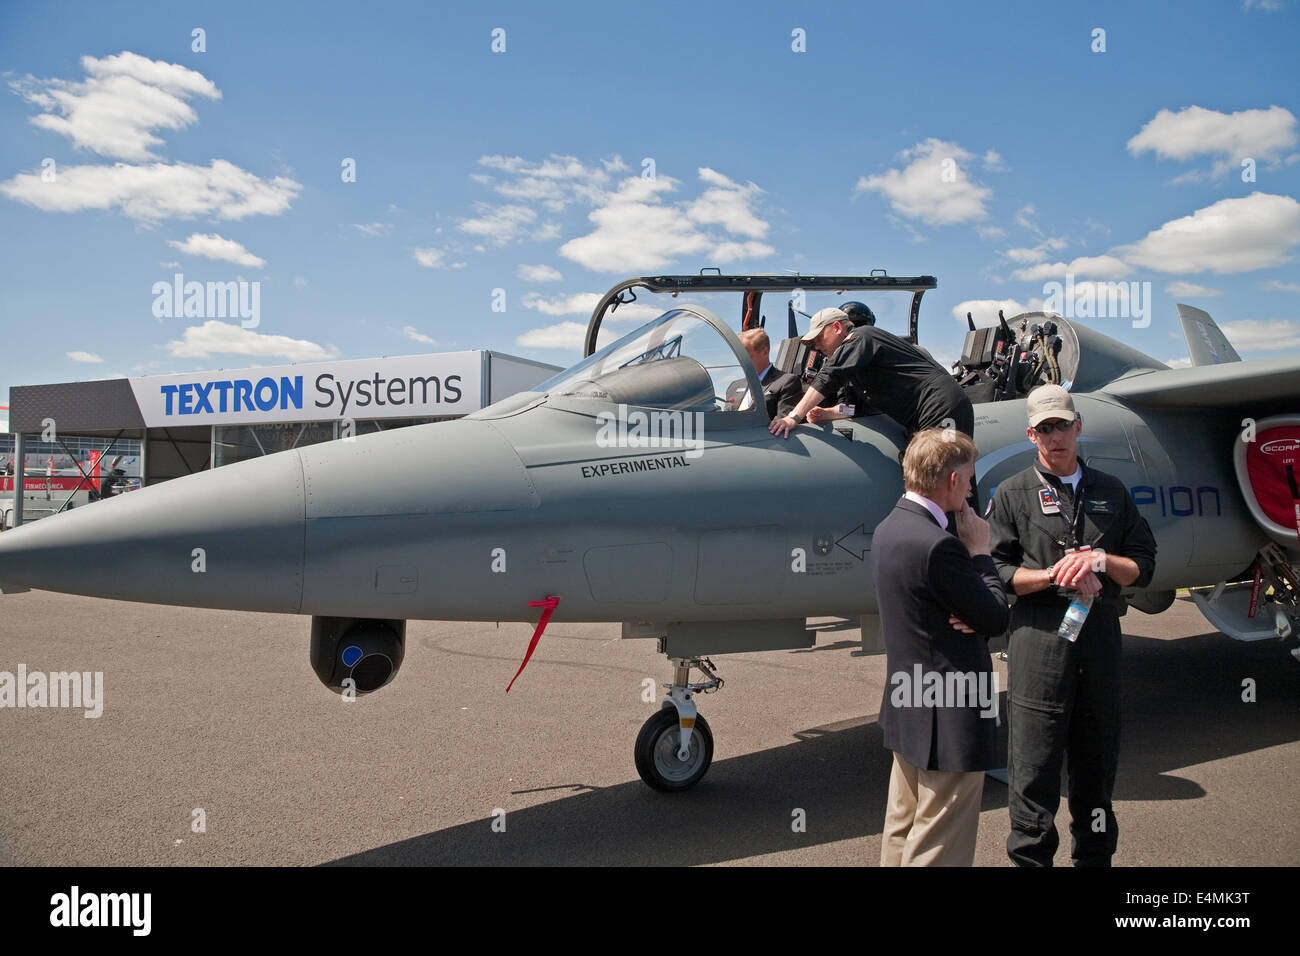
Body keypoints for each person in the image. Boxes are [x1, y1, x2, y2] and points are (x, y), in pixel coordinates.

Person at [987, 384, 1156, 867]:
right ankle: (1031, 859)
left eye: (1062, 425)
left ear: (1078, 426)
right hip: (1040, 643)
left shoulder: (1112, 491)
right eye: (1044, 428)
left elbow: (1144, 566)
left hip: (1099, 642)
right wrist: (1051, 575)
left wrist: (1102, 561)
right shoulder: (1013, 494)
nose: (1055, 436)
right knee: (1034, 767)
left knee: (1097, 765)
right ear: (1031, 434)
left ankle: (1095, 857)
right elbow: (996, 573)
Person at [873, 428, 1010, 866]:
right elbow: (995, 615)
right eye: (968, 478)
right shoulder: (940, 545)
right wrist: (981, 552)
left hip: (908, 703)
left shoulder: (890, 527)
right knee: (939, 842)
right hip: (950, 714)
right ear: (952, 481)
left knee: (902, 823)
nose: (971, 487)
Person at [769, 308, 972, 437]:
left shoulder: (861, 337)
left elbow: (829, 376)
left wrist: (793, 417)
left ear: (837, 327)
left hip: (940, 405)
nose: (817, 345)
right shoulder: (858, 365)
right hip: (922, 413)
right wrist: (828, 413)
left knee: (944, 475)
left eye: (820, 338)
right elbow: (857, 408)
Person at [731, 327, 802, 418]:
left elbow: (782, 425)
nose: (742, 362)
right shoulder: (733, 387)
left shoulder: (787, 383)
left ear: (765, 352)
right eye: (739, 357)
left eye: (747, 357)